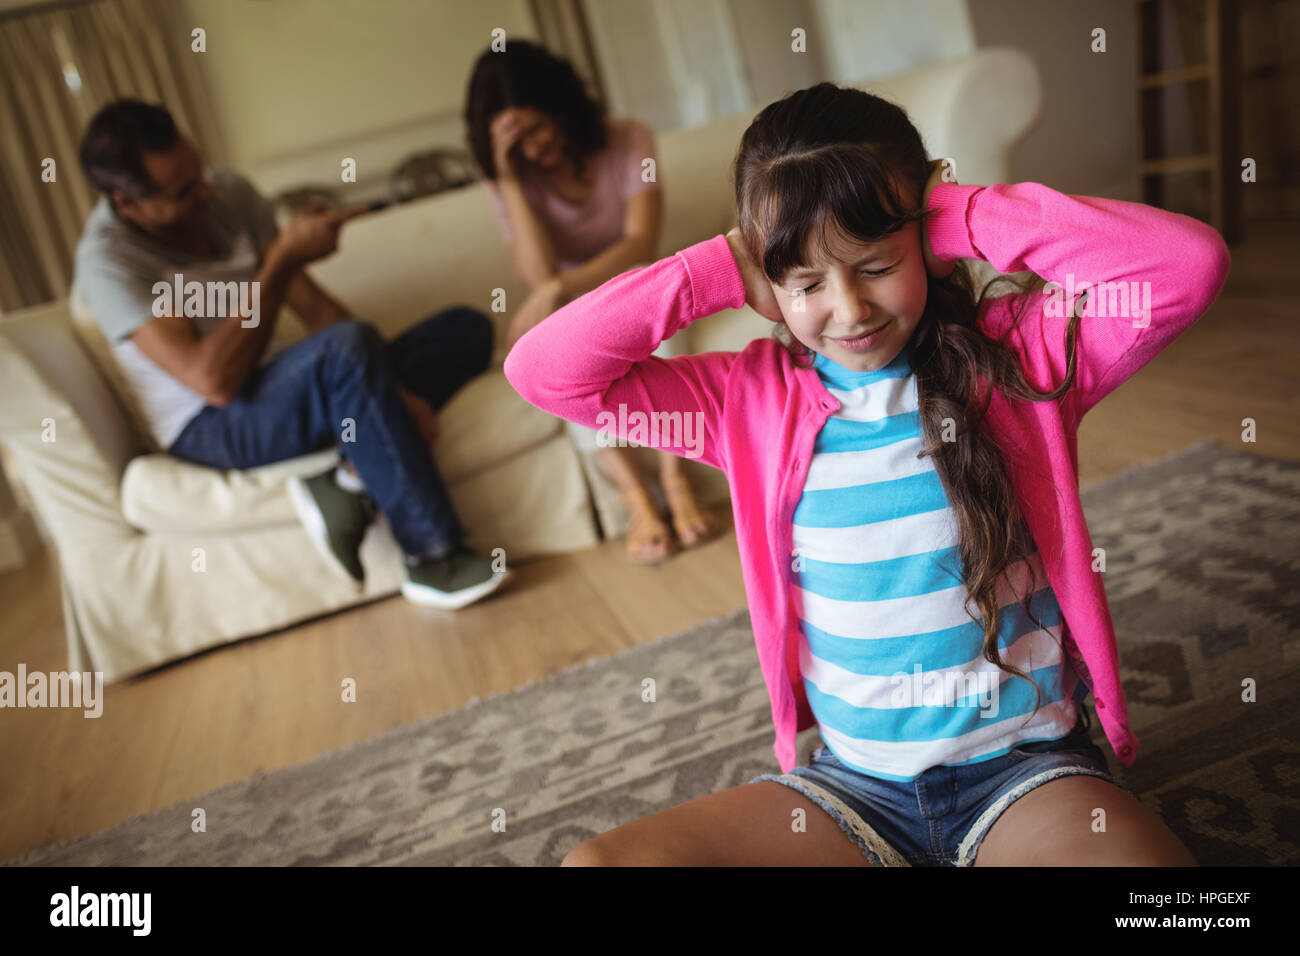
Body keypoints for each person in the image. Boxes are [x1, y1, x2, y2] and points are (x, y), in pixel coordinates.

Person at [505, 82, 1230, 865]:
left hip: (1026, 777)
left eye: (878, 263)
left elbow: (1186, 265)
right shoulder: (744, 403)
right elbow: (544, 372)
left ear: (924, 240)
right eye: (807, 282)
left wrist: (955, 214)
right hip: (852, 793)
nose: (850, 309)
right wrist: (717, 266)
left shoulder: (1020, 357)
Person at [73, 99, 509, 610]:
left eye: (199, 173)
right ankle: (433, 558)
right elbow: (214, 383)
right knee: (344, 352)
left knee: (463, 329)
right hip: (210, 425)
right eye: (183, 191)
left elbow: (318, 310)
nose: (206, 191)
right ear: (128, 204)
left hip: (286, 383)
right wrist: (279, 260)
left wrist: (390, 387)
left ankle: (347, 481)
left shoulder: (229, 194)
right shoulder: (109, 261)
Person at [465, 40, 721, 564]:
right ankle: (636, 496)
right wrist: (508, 180)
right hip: (570, 307)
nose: (530, 150)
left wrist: (558, 286)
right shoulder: (511, 179)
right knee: (556, 352)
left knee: (650, 296)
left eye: (535, 129)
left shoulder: (629, 139)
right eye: (514, 144)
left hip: (633, 281)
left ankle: (676, 481)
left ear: (561, 106)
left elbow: (641, 243)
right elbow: (538, 275)